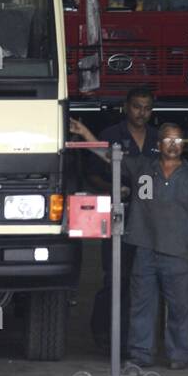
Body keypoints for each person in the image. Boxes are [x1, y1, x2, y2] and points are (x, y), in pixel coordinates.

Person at [72, 119, 188, 370]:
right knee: (142, 305)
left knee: (179, 307)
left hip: (176, 252)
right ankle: (141, 354)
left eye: (178, 140)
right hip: (144, 248)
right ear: (158, 144)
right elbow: (109, 156)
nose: (173, 145)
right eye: (168, 140)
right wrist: (86, 132)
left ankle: (178, 355)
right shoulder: (142, 166)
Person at [69, 86, 160, 353]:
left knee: (142, 279)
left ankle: (133, 339)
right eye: (136, 106)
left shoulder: (158, 138)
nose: (141, 113)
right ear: (126, 107)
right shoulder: (111, 136)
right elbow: (96, 171)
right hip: (118, 213)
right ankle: (103, 332)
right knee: (114, 277)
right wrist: (111, 190)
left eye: (147, 108)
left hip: (149, 219)